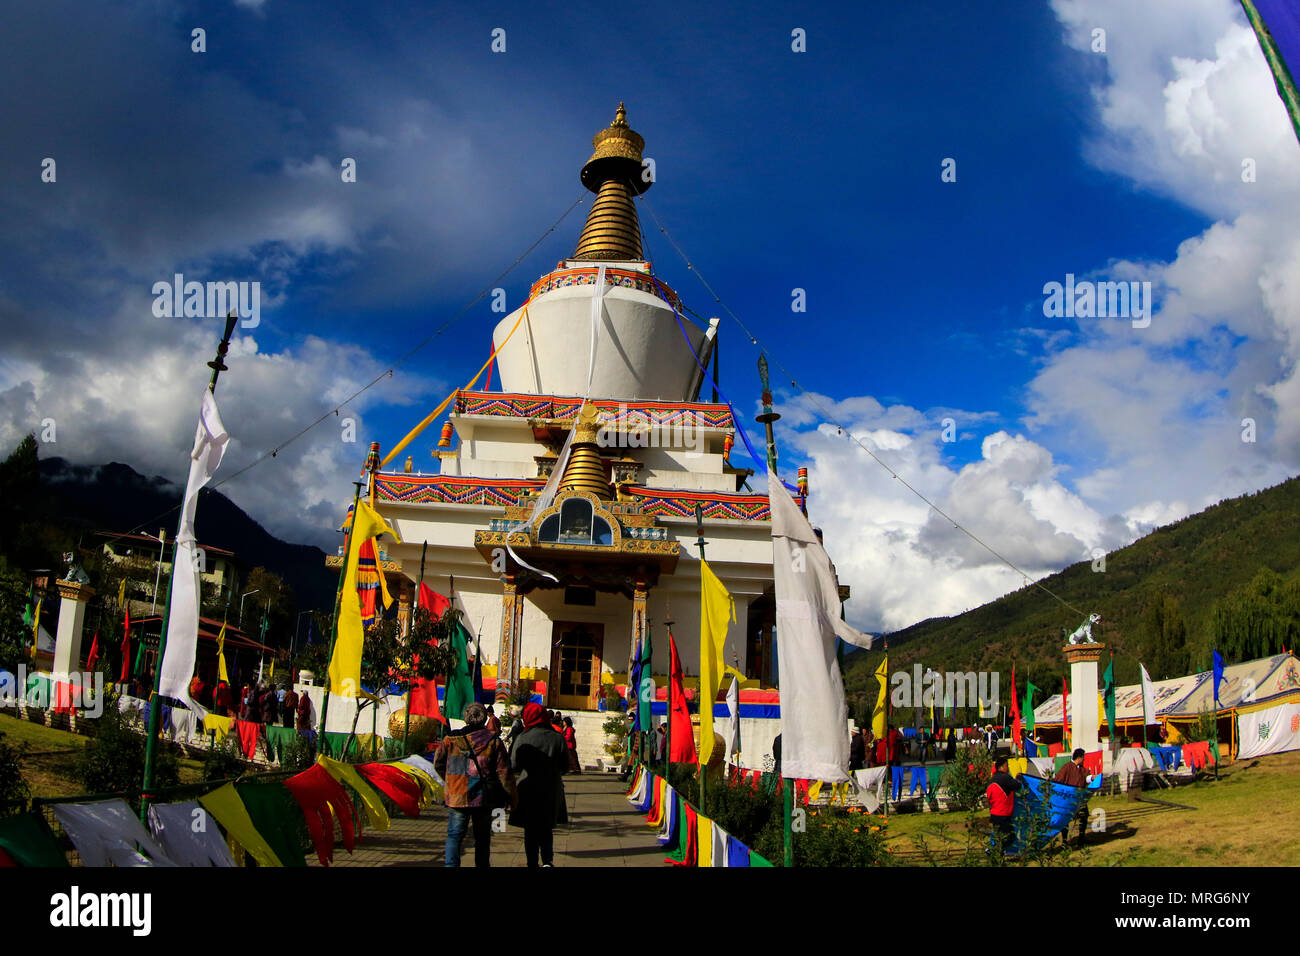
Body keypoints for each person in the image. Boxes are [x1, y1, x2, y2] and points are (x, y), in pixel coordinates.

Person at [433, 702, 517, 868]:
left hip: (457, 796)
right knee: (482, 838)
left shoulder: (450, 740)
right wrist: (512, 798)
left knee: (454, 836)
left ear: (466, 717)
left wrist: (451, 780)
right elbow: (504, 773)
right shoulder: (494, 743)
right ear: (484, 718)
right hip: (483, 799)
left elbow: (438, 764)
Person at [509, 702, 569, 867]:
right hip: (551, 787)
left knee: (530, 829)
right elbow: (565, 766)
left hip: (528, 788)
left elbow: (514, 765)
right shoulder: (558, 737)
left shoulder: (522, 737)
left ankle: (532, 862)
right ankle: (548, 861)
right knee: (546, 827)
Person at [986, 753, 1023, 854]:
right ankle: (995, 851)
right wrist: (1019, 777)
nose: (1008, 768)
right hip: (1003, 814)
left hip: (994, 814)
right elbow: (1017, 785)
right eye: (1007, 766)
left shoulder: (992, 780)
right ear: (1001, 767)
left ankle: (997, 855)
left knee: (999, 836)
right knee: (1010, 837)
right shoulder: (1005, 778)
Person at [1053, 747, 1090, 845]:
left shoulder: (1082, 769)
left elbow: (1086, 778)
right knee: (1065, 820)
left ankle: (1081, 838)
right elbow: (1058, 781)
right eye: (1083, 757)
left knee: (1084, 816)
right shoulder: (1067, 767)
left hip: (1079, 799)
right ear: (1079, 758)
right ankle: (1064, 841)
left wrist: (1092, 778)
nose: (1084, 759)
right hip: (1068, 799)